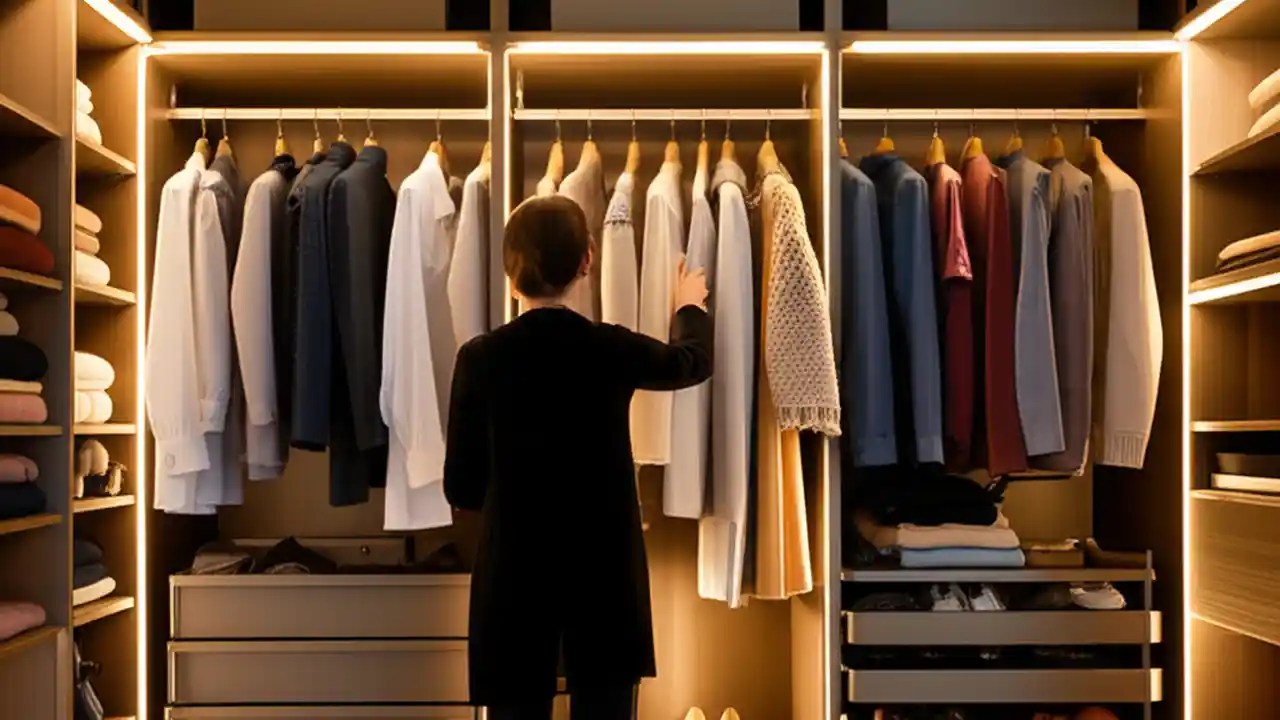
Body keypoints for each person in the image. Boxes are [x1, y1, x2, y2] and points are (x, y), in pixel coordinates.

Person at [443, 195, 712, 720]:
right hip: (601, 566)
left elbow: (463, 487)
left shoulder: (481, 359)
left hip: (515, 569)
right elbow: (691, 362)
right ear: (587, 260)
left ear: (511, 273)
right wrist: (688, 305)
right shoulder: (608, 348)